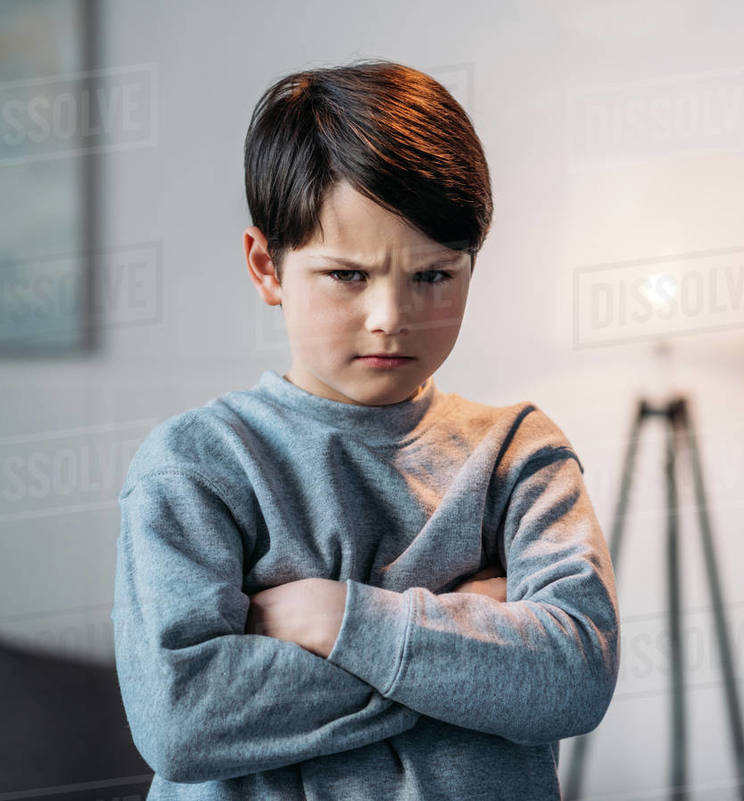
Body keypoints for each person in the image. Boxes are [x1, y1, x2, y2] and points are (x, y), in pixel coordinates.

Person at [112, 58, 620, 800]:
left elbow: (573, 676)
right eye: (348, 275)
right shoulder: (195, 464)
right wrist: (476, 655)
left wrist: (338, 618)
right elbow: (183, 717)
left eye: (433, 275)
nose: (391, 315)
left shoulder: (520, 453)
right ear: (267, 267)